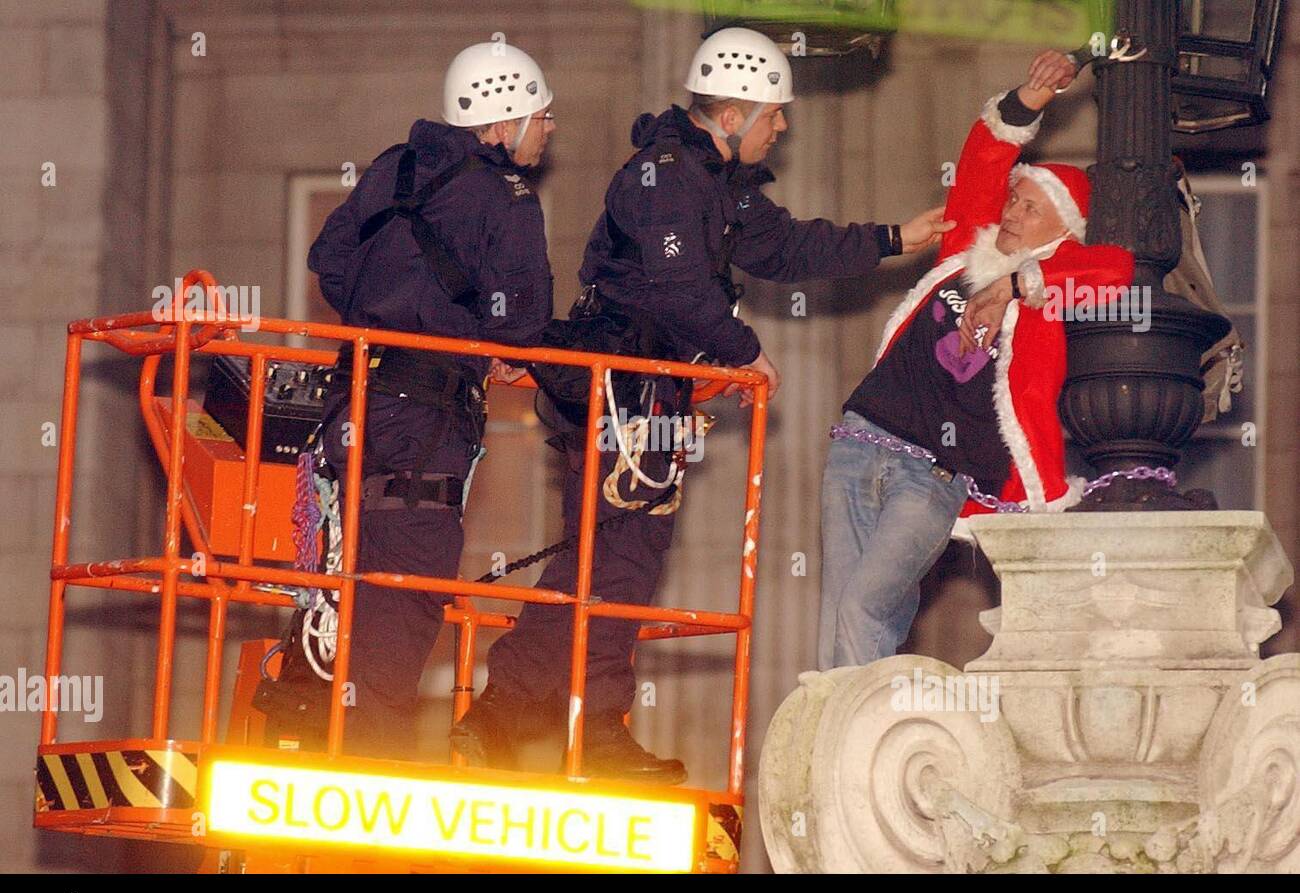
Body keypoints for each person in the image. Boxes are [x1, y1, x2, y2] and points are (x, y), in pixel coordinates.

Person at [452, 26, 953, 783]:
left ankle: (533, 719)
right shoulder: (665, 174)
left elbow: (782, 248)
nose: (780, 126)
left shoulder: (712, 180)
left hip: (645, 390)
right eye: (771, 114)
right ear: (731, 116)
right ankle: (548, 721)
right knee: (616, 561)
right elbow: (678, 289)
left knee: (613, 561)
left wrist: (890, 238)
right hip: (623, 386)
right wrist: (744, 350)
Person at [818, 50, 1136, 670]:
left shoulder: (1049, 296)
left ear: (1061, 232)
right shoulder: (969, 247)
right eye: (1014, 200)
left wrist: (1017, 286)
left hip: (935, 476)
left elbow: (1117, 273)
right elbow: (985, 158)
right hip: (861, 441)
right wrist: (1033, 99)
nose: (1012, 211)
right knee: (842, 608)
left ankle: (859, 738)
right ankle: (853, 737)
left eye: (1030, 208)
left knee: (865, 602)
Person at [304, 41, 557, 759]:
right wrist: (470, 340)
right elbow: (525, 323)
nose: (550, 129)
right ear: (503, 122)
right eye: (542, 115)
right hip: (422, 426)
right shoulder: (506, 200)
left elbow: (329, 261)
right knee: (401, 602)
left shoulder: (396, 167)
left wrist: (393, 310)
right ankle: (360, 813)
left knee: (341, 597)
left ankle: (315, 740)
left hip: (351, 409)